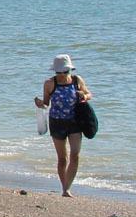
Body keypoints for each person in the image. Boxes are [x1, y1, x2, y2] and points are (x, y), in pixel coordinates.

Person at [34, 54, 93, 198]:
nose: (62, 75)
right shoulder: (49, 83)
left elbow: (89, 94)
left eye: (65, 72)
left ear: (70, 71)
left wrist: (84, 96)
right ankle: (64, 187)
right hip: (57, 122)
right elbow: (47, 103)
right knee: (62, 158)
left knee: (75, 154)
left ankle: (67, 188)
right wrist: (40, 103)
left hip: (75, 122)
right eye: (59, 72)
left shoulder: (76, 80)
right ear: (55, 72)